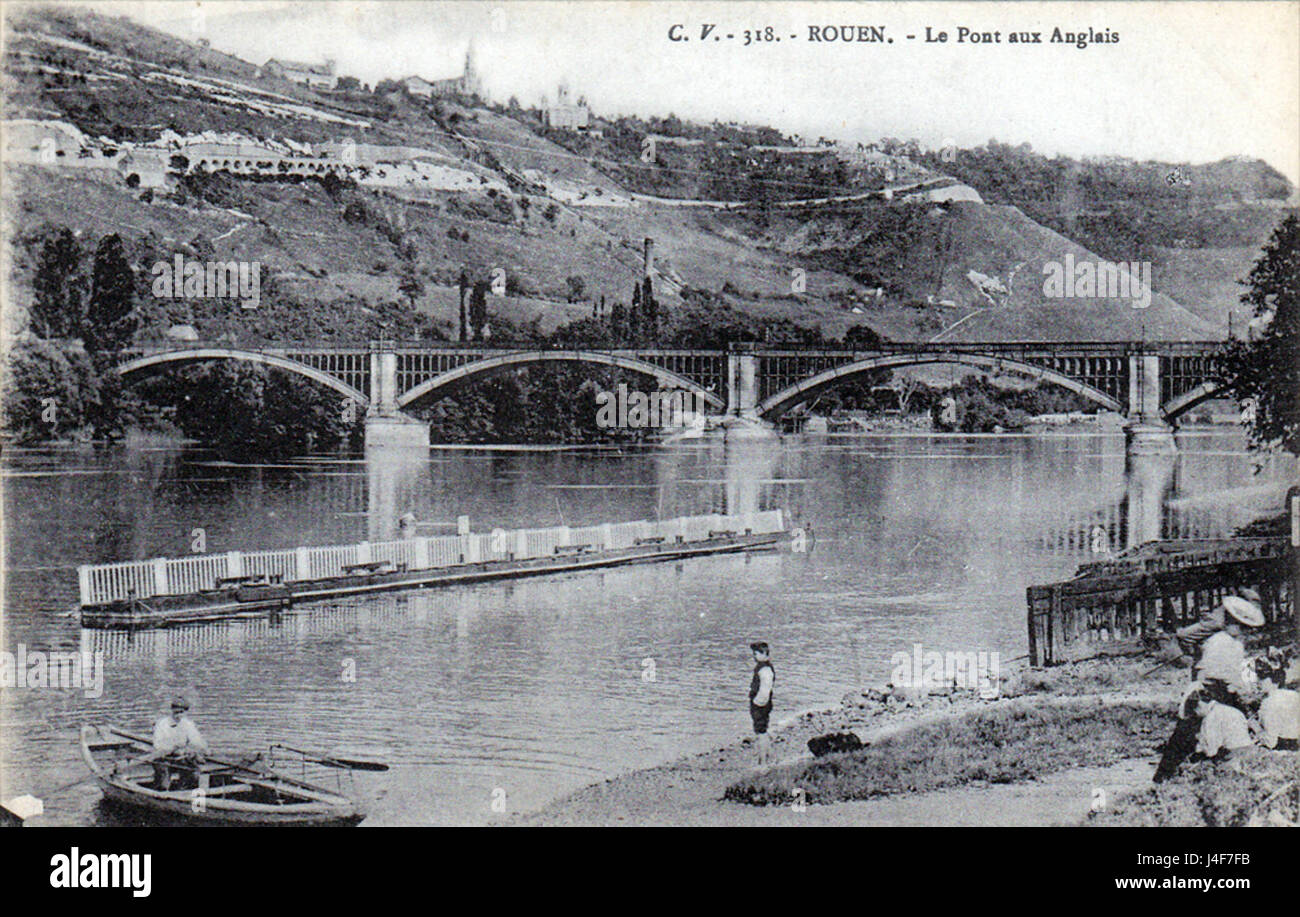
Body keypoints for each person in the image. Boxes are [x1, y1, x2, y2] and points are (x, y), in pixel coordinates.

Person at [149, 696, 209, 790]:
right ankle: (161, 792)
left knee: (194, 775)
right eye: (176, 712)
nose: (178, 715)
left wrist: (202, 749)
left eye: (181, 712)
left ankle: (183, 791)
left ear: (185, 712)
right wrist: (173, 747)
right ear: (172, 711)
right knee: (163, 784)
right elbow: (157, 744)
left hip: (181, 757)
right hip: (164, 758)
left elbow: (196, 740)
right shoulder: (162, 724)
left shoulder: (188, 724)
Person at [1255, 658, 1300, 751]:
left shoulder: (1268, 703)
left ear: (1275, 679)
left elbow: (1270, 742)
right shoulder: (1295, 695)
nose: (1258, 681)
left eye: (1262, 677)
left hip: (1279, 751)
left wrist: (1255, 727)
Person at [748, 641, 775, 767]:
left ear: (764, 653)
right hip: (763, 703)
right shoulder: (765, 667)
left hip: (761, 704)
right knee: (762, 731)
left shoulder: (765, 669)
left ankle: (763, 762)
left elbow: (765, 689)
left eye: (756, 654)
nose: (754, 656)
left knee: (761, 732)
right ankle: (768, 758)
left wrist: (757, 703)